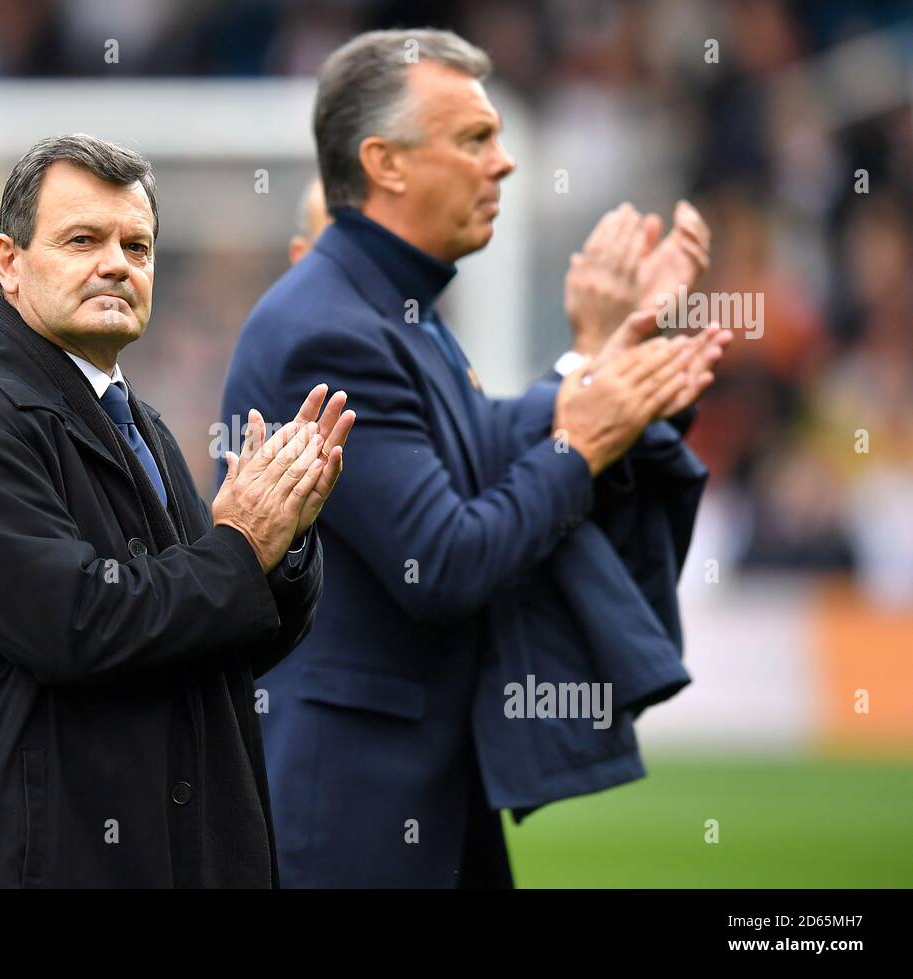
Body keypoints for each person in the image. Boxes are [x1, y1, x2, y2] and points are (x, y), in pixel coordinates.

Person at [220, 28, 729, 887]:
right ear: (385, 163)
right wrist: (582, 440)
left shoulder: (389, 307)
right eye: (474, 139)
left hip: (420, 795)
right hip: (350, 813)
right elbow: (442, 562)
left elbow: (483, 449)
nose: (504, 164)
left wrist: (605, 364)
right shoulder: (329, 327)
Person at [0, 134, 354, 888]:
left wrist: (284, 548)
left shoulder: (141, 426)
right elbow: (80, 624)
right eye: (82, 240)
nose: (116, 264)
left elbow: (209, 633)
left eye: (137, 245)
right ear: (8, 262)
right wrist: (239, 545)